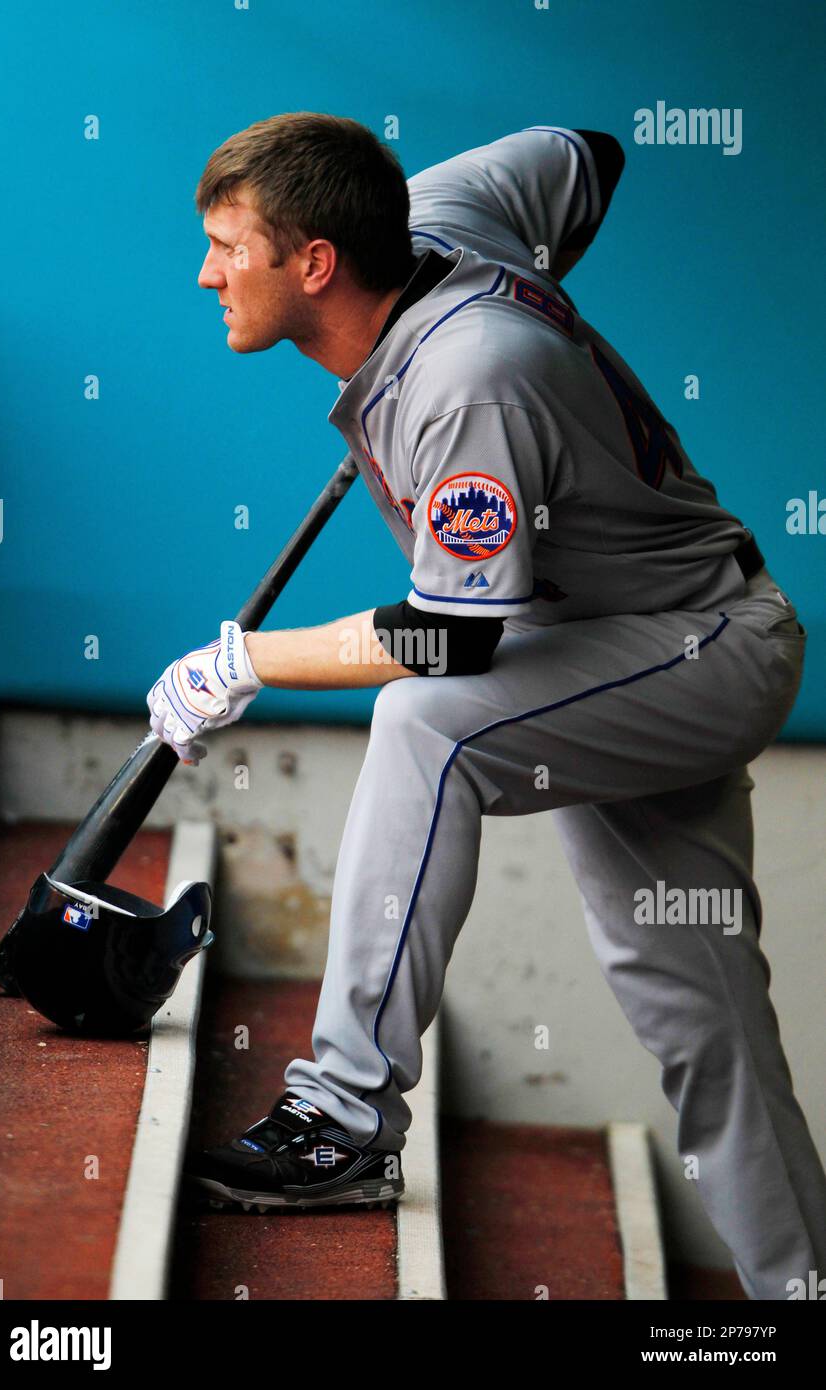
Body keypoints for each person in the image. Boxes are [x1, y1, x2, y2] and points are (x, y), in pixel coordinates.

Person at [146, 113, 825, 1299]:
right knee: (703, 1013)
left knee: (428, 725)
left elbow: (448, 642)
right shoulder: (437, 214)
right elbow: (584, 153)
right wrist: (526, 310)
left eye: (227, 247)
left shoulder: (470, 383)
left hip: (696, 647)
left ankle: (343, 1114)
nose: (207, 273)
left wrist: (243, 661)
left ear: (316, 262)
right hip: (600, 648)